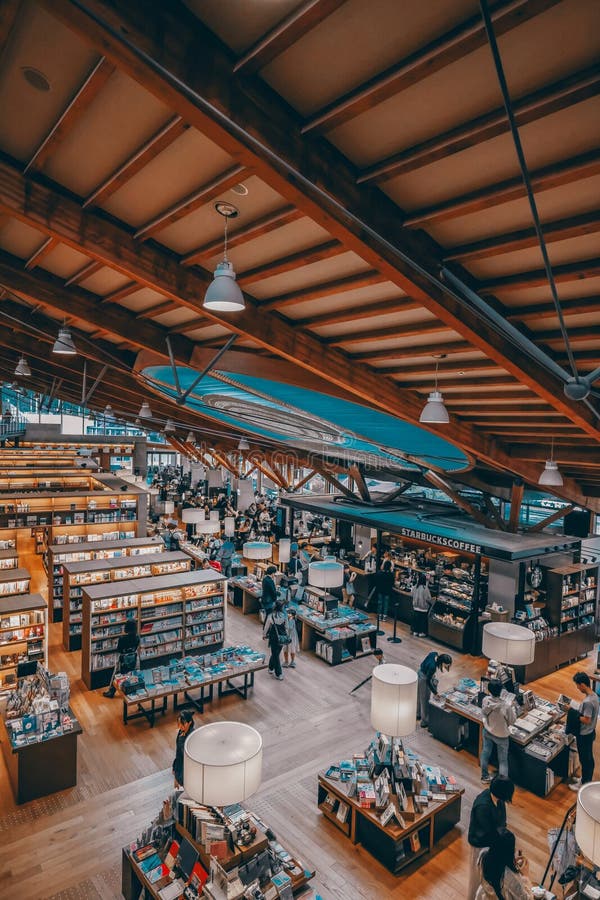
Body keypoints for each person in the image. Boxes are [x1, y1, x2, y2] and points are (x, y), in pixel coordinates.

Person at [468, 775, 515, 900]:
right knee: (478, 878)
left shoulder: (498, 799)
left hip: (493, 843)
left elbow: (501, 822)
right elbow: (488, 831)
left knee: (490, 877)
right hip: (481, 844)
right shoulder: (483, 806)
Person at [476, 828, 534, 900]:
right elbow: (527, 899)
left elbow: (498, 860)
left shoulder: (483, 855)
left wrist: (511, 862)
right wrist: (525, 876)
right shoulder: (511, 877)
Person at [481, 680, 517, 782]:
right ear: (501, 691)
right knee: (503, 761)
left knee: (485, 752)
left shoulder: (485, 700)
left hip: (488, 731)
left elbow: (483, 712)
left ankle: (484, 777)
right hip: (502, 736)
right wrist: (513, 708)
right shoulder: (506, 706)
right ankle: (502, 784)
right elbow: (512, 721)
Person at [570, 671, 599, 789]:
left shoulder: (587, 702)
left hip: (584, 734)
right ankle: (585, 779)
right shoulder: (594, 696)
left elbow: (586, 720)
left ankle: (583, 784)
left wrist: (573, 713)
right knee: (588, 758)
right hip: (591, 732)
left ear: (582, 684)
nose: (577, 688)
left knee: (585, 759)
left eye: (577, 685)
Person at [103, 619, 140, 698]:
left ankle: (111, 691)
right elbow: (136, 647)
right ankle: (133, 691)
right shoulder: (137, 638)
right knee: (133, 674)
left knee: (116, 674)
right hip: (133, 658)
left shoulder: (122, 638)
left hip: (123, 659)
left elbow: (119, 649)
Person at [417, 651, 452, 727]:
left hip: (420, 672)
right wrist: (435, 693)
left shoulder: (434, 654)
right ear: (442, 662)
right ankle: (424, 721)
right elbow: (428, 681)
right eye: (445, 665)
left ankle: (418, 714)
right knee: (425, 699)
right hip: (424, 678)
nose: (445, 667)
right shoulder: (432, 667)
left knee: (419, 697)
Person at [263, 599, 288, 680]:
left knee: (275, 653)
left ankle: (272, 669)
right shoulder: (284, 616)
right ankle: (278, 672)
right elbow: (287, 627)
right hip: (282, 636)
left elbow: (266, 626)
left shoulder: (271, 616)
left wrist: (264, 635)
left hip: (273, 636)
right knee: (276, 653)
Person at [172, 710, 194, 788]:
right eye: (179, 724)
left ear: (190, 722)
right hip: (179, 765)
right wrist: (174, 766)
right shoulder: (182, 731)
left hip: (186, 770)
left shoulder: (191, 737)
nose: (180, 727)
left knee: (183, 790)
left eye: (182, 724)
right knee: (176, 790)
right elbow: (178, 752)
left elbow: (186, 755)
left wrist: (181, 740)